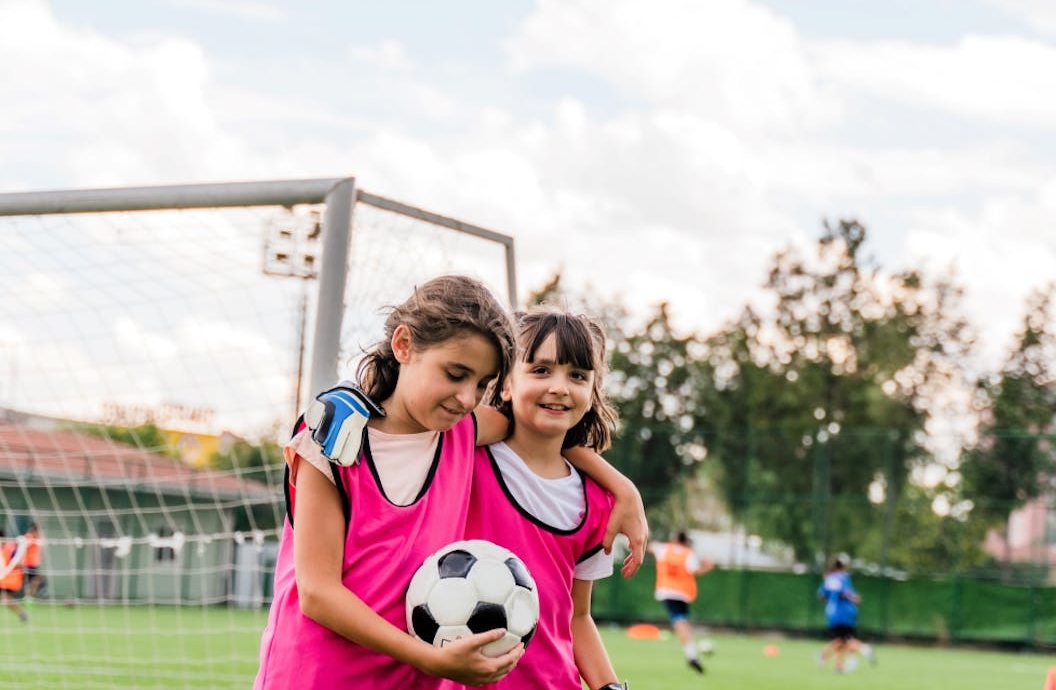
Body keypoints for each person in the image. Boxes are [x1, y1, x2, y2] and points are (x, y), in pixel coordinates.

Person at [255, 275, 646, 689]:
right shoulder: (332, 438)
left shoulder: (462, 433)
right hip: (315, 677)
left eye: (481, 384)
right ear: (403, 346)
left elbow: (542, 424)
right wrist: (432, 659)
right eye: (455, 373)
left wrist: (623, 488)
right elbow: (317, 594)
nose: (466, 397)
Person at [466, 308, 628, 690]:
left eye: (578, 375)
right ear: (506, 384)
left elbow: (578, 617)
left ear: (592, 392)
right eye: (540, 370)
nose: (560, 387)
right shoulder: (464, 461)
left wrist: (609, 687)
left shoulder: (598, 502)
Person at [650, 530, 714, 673]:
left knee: (681, 622)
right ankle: (691, 655)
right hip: (682, 593)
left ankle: (691, 654)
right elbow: (697, 570)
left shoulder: (664, 548)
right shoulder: (688, 554)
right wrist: (708, 566)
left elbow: (651, 546)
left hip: (666, 591)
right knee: (681, 622)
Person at [816, 556, 875, 673]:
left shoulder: (829, 578)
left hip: (834, 613)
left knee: (841, 640)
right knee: (844, 640)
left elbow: (821, 595)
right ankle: (862, 650)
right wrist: (854, 599)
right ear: (843, 567)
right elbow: (847, 593)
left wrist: (831, 598)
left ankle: (834, 661)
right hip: (847, 612)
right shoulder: (844, 577)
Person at [0, 533, 29, 623]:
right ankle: (21, 613)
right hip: (3, 578)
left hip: (10, 578)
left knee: (3, 597)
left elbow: (18, 561)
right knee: (4, 597)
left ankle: (21, 612)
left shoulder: (11, 548)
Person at [21, 522, 45, 601]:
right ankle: (28, 597)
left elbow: (40, 550)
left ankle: (29, 597)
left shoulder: (39, 538)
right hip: (27, 564)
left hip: (34, 564)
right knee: (35, 580)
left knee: (36, 580)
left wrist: (41, 557)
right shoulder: (28, 537)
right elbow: (22, 550)